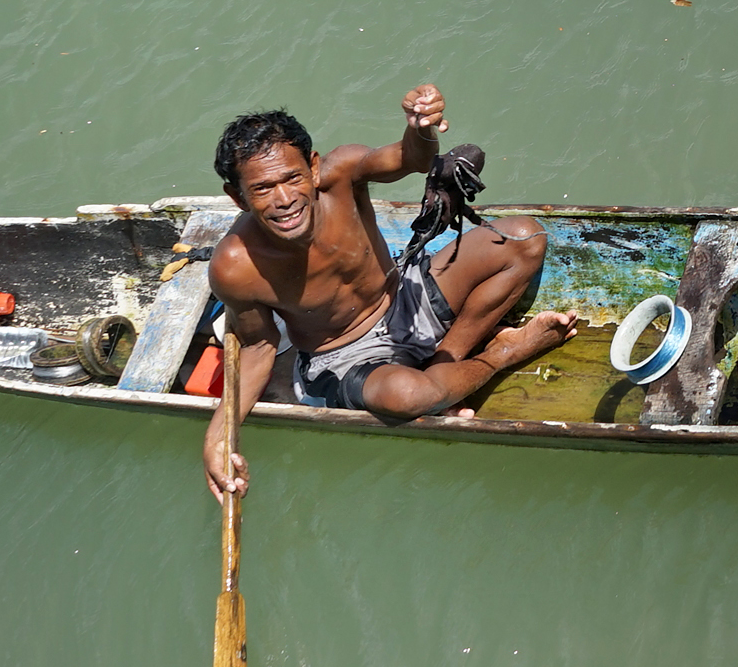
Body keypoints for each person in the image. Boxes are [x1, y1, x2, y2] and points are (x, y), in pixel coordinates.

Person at [202, 85, 577, 502]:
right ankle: (501, 354)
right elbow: (258, 348)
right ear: (237, 197)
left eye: (293, 178)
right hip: (342, 359)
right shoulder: (235, 266)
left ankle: (445, 363)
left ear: (313, 168)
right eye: (262, 188)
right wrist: (219, 436)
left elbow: (409, 157)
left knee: (524, 238)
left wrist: (421, 128)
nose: (285, 199)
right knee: (410, 395)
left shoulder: (342, 171)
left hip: (403, 294)